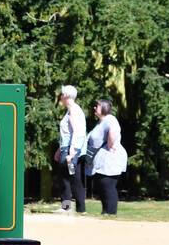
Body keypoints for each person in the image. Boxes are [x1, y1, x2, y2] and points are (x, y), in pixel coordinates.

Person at [85, 98, 127, 216]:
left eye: (97, 106)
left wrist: (111, 143)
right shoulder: (100, 122)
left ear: (104, 108)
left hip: (110, 159)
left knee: (108, 185)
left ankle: (111, 212)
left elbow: (113, 133)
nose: (94, 108)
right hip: (102, 159)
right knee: (102, 185)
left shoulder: (110, 119)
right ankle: (105, 211)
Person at [52, 84, 87, 212]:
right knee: (71, 178)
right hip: (67, 148)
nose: (60, 97)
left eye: (62, 95)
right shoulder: (72, 110)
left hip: (70, 150)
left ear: (66, 96)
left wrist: (72, 150)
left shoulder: (73, 110)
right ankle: (78, 208)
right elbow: (68, 133)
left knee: (67, 178)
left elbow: (78, 131)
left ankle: (70, 207)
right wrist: (58, 150)